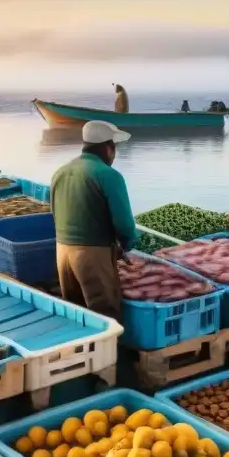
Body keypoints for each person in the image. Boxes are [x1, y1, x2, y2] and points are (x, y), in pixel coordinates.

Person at [50, 119, 137, 321]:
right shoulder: (108, 175)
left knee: (75, 314)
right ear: (108, 148)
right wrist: (127, 244)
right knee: (104, 315)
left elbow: (55, 212)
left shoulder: (61, 172)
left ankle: (78, 351)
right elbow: (124, 223)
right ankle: (107, 353)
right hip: (92, 255)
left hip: (62, 251)